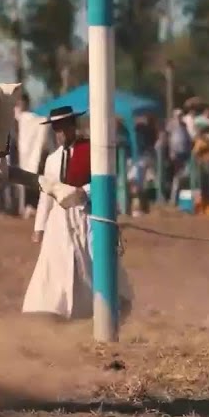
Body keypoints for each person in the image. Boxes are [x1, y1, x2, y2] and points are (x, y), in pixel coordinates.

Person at [22, 106, 133, 319]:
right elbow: (46, 194)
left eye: (64, 127)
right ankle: (57, 309)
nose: (61, 133)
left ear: (73, 126)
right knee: (57, 263)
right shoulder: (52, 159)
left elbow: (102, 181)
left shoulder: (90, 151)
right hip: (59, 220)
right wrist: (39, 227)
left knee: (94, 258)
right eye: (57, 129)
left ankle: (111, 301)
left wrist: (84, 191)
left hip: (86, 215)